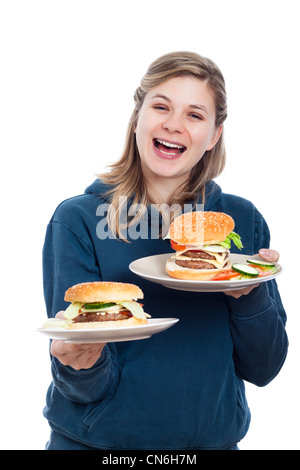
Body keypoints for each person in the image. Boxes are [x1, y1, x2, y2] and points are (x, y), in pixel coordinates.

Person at [42, 51, 288, 450]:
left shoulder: (241, 219)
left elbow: (263, 369)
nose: (173, 125)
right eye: (161, 106)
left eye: (195, 114)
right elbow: (82, 385)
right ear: (138, 115)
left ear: (214, 135)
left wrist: (251, 294)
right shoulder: (78, 220)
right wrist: (77, 364)